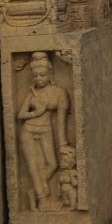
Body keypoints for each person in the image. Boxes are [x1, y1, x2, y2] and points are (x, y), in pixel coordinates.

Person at [17, 52, 69, 209]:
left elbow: (61, 121)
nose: (39, 78)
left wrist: (62, 144)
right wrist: (37, 112)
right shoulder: (31, 93)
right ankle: (42, 199)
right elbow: (21, 114)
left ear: (50, 73)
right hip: (28, 130)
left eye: (42, 75)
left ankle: (35, 191)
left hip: (46, 129)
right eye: (35, 76)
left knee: (53, 164)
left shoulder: (59, 93)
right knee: (33, 167)